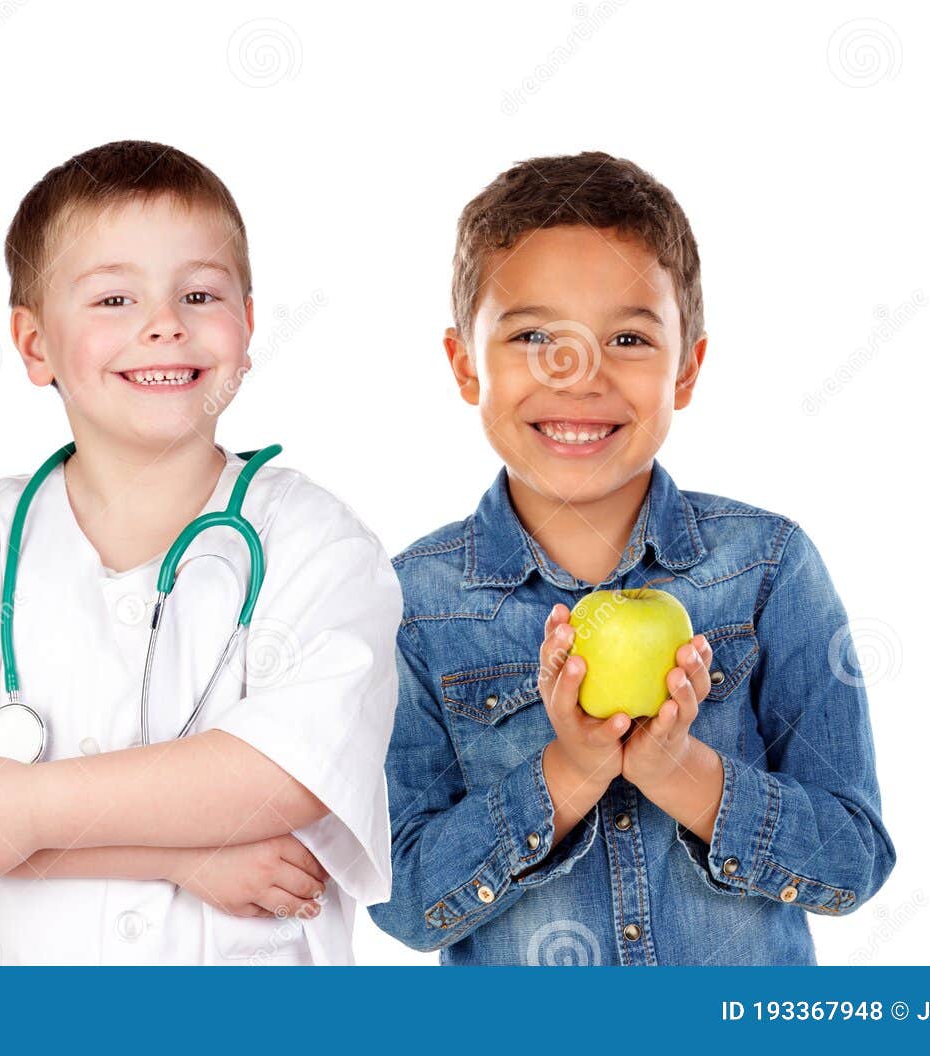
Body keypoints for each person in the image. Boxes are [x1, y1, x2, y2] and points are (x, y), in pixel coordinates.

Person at [0, 140, 400, 965]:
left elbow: (281, 775)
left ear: (247, 327)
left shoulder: (319, 545)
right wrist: (182, 854)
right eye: (112, 299)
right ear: (34, 345)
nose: (163, 322)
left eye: (199, 293)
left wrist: (22, 812)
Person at [368, 151, 896, 964]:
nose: (579, 375)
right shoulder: (414, 603)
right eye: (534, 334)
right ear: (465, 364)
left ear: (687, 366)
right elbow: (404, 903)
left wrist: (684, 775)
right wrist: (565, 776)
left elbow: (854, 859)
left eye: (628, 337)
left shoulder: (766, 568)